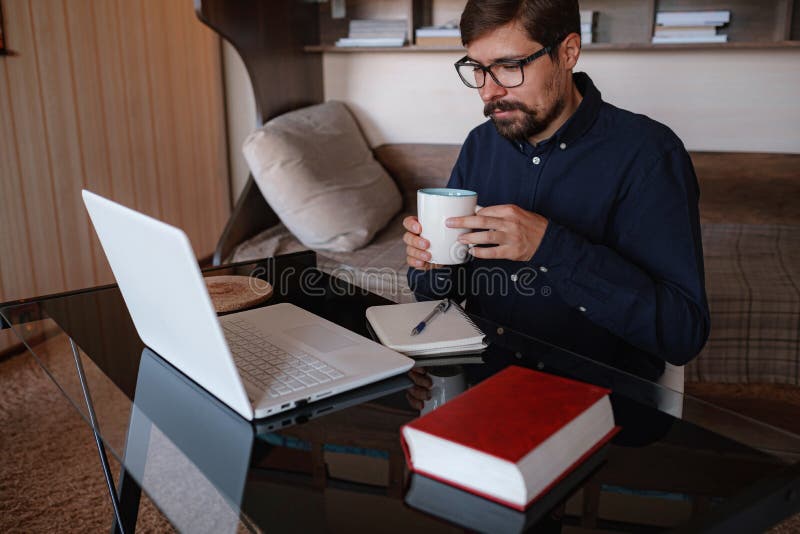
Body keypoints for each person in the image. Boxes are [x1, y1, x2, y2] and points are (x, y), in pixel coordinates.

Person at [403, 0, 710, 382]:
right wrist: (431, 266)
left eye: (510, 67)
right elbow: (444, 294)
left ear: (568, 52)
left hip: (597, 400)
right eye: (478, 70)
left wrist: (550, 246)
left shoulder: (649, 154)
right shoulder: (481, 145)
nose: (488, 92)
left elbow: (682, 333)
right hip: (482, 380)